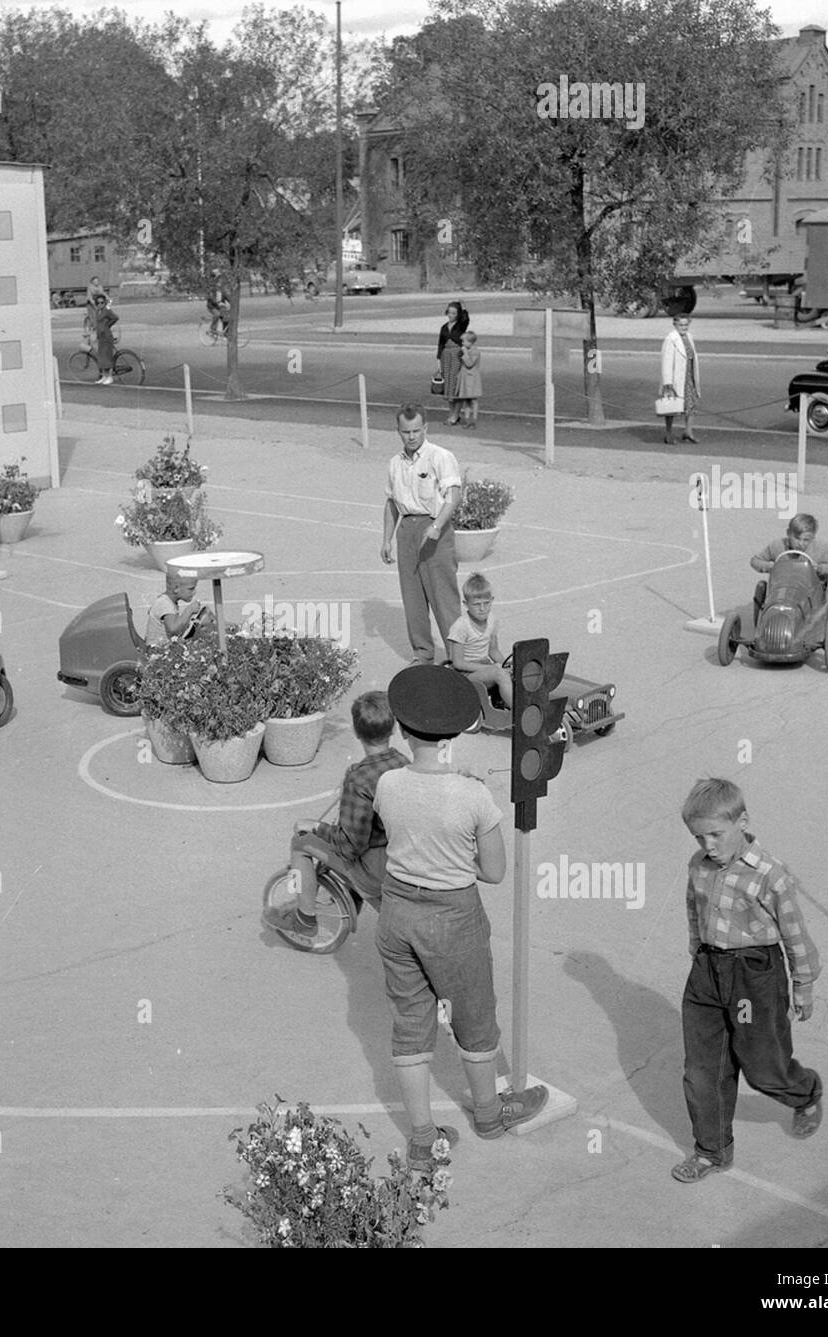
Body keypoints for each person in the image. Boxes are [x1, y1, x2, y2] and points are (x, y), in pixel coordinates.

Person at [373, 665, 548, 1173]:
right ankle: (490, 1115)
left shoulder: (387, 782)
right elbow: (494, 871)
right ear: (455, 733)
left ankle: (423, 1139)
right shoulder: (472, 795)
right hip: (453, 915)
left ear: (405, 731)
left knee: (410, 1024)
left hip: (398, 911)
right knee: (473, 1016)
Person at [673, 778, 822, 1183]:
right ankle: (712, 1151)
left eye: (717, 835)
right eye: (699, 837)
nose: (708, 845)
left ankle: (804, 1093)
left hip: (753, 977)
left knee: (762, 1066)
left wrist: (803, 985)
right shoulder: (697, 866)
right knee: (701, 1070)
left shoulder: (770, 875)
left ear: (743, 821)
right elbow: (693, 909)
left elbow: (795, 934)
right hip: (706, 974)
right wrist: (695, 950)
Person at [262, 691, 409, 937]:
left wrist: (316, 827)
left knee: (301, 843)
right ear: (393, 728)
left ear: (356, 731)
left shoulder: (358, 778)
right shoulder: (402, 761)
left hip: (375, 865)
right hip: (400, 854)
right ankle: (350, 893)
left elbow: (349, 845)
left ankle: (305, 920)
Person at [381, 403, 463, 664]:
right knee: (413, 598)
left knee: (443, 596)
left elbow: (453, 496)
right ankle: (423, 653)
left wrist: (437, 525)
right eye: (406, 432)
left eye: (417, 430)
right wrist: (386, 539)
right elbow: (391, 503)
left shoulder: (440, 456)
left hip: (434, 529)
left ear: (425, 428)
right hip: (407, 530)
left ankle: (457, 656)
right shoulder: (394, 463)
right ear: (398, 431)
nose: (412, 436)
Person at [446, 572, 512, 707]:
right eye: (476, 604)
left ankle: (511, 703)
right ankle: (521, 713)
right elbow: (458, 663)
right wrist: (494, 668)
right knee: (500, 674)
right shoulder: (461, 626)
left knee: (514, 671)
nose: (482, 609)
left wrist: (508, 665)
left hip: (485, 667)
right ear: (466, 604)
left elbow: (493, 651)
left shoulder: (492, 619)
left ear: (492, 600)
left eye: (486, 603)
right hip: (465, 674)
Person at [750, 514, 828, 577]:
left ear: (813, 538)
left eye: (806, 540)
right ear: (788, 533)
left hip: (809, 590)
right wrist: (770, 566)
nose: (801, 543)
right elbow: (755, 561)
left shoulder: (819, 548)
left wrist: (819, 568)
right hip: (781, 586)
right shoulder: (777, 546)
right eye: (797, 538)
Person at [659, 315, 700, 445]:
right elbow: (666, 361)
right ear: (675, 325)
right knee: (672, 407)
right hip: (675, 378)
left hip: (689, 377)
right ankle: (668, 434)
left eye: (686, 325)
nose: (684, 328)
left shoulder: (689, 337)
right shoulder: (671, 339)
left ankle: (688, 432)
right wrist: (668, 383)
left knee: (691, 405)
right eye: (681, 325)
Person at [145, 570, 210, 644]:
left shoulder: (167, 600)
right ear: (176, 588)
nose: (194, 592)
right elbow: (173, 630)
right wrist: (189, 610)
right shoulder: (165, 603)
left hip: (162, 646)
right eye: (191, 589)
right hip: (157, 651)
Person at [436, 301, 469, 426]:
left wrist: (462, 307)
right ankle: (451, 413)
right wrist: (438, 359)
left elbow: (466, 317)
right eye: (449, 312)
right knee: (448, 386)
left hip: (457, 355)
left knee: (456, 385)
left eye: (454, 313)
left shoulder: (461, 325)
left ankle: (456, 415)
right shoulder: (444, 327)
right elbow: (440, 344)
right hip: (446, 356)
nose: (451, 315)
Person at [455, 330, 483, 428]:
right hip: (465, 379)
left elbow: (469, 364)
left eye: (464, 341)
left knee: (474, 400)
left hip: (472, 379)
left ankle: (473, 420)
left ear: (470, 342)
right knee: (466, 401)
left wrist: (465, 353)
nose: (462, 343)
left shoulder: (475, 351)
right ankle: (467, 420)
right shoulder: (465, 350)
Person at [92, 293, 119, 385]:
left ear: (104, 303)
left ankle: (110, 376)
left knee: (108, 357)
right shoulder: (97, 312)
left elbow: (115, 317)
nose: (100, 304)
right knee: (102, 357)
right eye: (98, 303)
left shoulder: (107, 311)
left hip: (107, 336)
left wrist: (108, 325)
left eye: (102, 303)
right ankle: (104, 376)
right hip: (101, 337)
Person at [205, 271, 231, 339]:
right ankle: (212, 329)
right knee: (217, 314)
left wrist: (232, 303)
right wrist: (218, 303)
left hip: (219, 306)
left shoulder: (221, 288)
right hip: (212, 306)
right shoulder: (212, 287)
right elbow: (211, 298)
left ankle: (225, 333)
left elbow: (226, 296)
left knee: (226, 316)